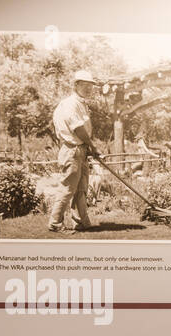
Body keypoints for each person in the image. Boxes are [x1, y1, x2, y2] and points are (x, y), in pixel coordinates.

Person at [48, 70, 101, 233]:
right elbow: (78, 129)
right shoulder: (70, 104)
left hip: (80, 149)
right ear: (76, 85)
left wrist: (88, 148)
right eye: (85, 85)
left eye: (90, 86)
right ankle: (55, 223)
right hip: (72, 150)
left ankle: (82, 222)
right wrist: (92, 146)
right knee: (68, 188)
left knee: (81, 188)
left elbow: (82, 131)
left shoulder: (81, 104)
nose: (88, 89)